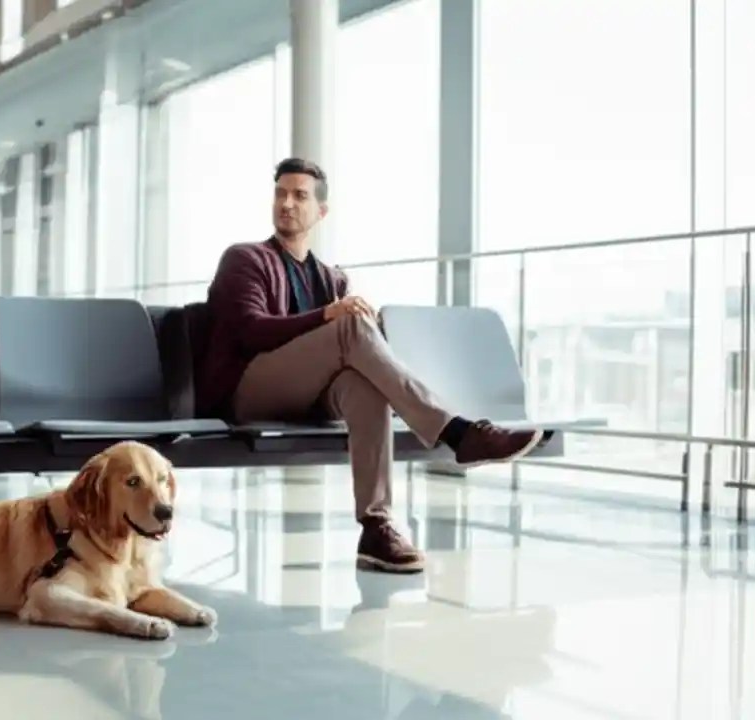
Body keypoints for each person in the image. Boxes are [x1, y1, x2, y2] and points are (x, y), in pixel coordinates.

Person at [198, 157, 545, 574]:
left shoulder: (332, 278)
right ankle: (458, 433)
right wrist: (330, 316)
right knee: (348, 324)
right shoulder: (244, 259)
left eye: (299, 195)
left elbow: (337, 338)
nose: (286, 203)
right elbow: (252, 331)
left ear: (320, 212)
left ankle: (376, 527)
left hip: (310, 395)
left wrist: (359, 327)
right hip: (248, 390)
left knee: (365, 385)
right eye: (280, 193)